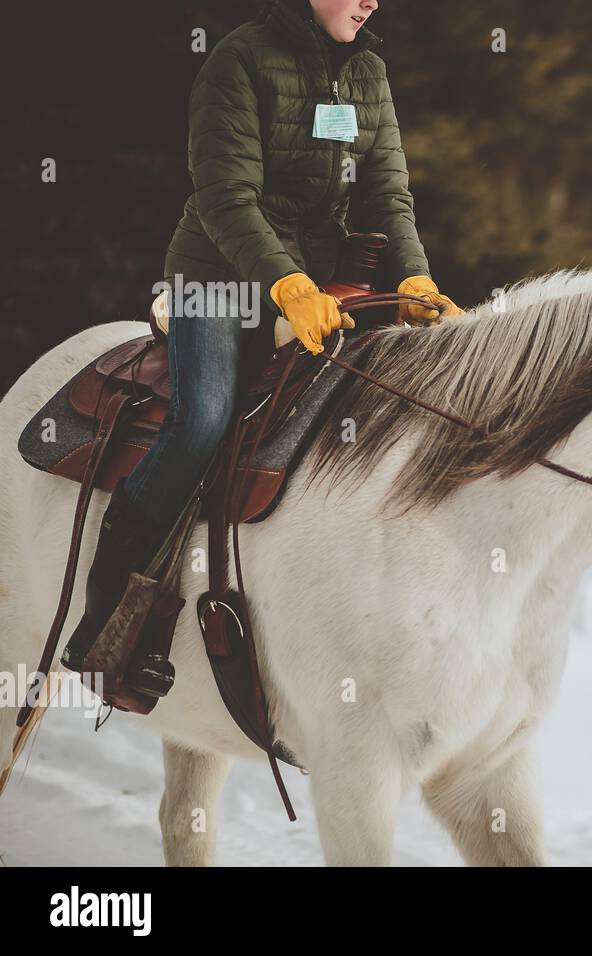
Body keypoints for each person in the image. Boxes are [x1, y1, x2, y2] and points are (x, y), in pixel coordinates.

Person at [62, 0, 461, 671]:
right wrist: (287, 284)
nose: (371, 1)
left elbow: (386, 197)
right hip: (218, 278)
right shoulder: (238, 60)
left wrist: (416, 279)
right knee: (204, 420)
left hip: (322, 288)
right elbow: (226, 196)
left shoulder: (369, 71)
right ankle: (105, 622)